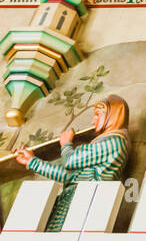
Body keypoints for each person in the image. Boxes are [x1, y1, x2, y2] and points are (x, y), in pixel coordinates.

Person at [14, 96, 130, 232]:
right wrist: (32, 162)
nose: (93, 121)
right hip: (72, 198)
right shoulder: (104, 143)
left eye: (98, 115)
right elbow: (70, 176)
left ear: (114, 115)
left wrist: (66, 144)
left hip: (85, 202)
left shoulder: (115, 142)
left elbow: (70, 162)